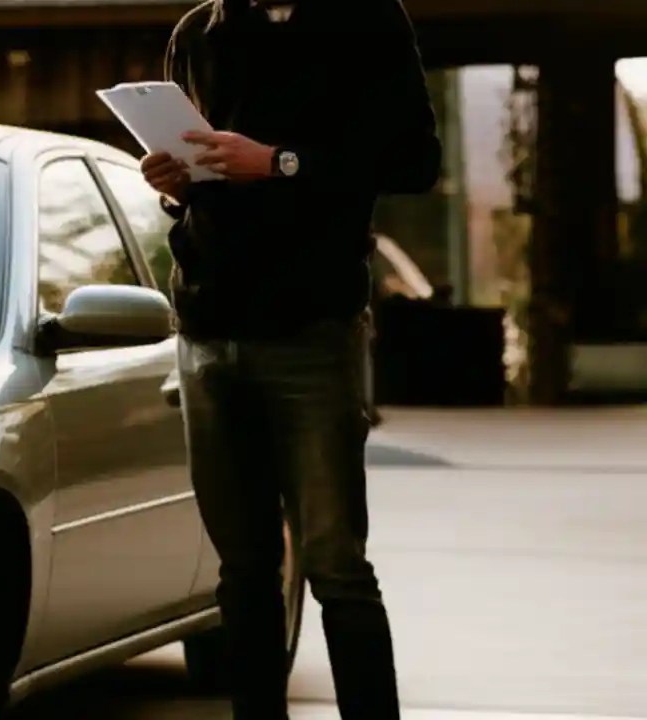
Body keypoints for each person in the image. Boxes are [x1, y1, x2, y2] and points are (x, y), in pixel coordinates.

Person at [139, 1, 441, 719]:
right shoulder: (197, 34)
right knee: (243, 573)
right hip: (207, 329)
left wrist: (278, 162)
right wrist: (176, 186)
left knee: (337, 566)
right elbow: (203, 182)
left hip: (312, 328)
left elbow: (416, 161)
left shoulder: (364, 22)